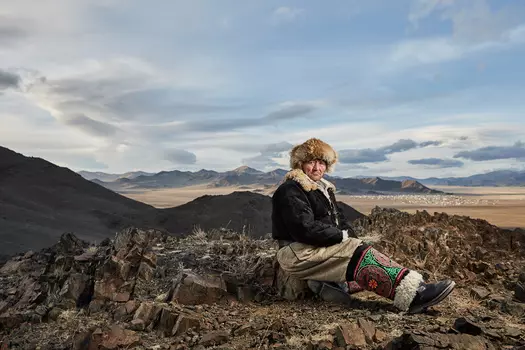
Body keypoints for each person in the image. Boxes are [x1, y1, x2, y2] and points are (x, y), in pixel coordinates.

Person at [272, 138, 455, 313]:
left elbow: (340, 221)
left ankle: (335, 284)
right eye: (311, 162)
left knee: (359, 249)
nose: (317, 167)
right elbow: (303, 228)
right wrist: (341, 238)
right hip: (298, 252)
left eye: (321, 163)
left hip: (315, 247)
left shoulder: (323, 189)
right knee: (355, 249)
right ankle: (413, 295)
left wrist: (351, 238)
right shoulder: (291, 189)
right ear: (300, 163)